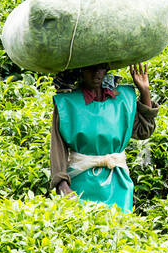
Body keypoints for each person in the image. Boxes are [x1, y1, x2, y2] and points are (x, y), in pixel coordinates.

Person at [49, 61, 157, 212]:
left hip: (118, 181)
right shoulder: (67, 103)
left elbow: (143, 131)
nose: (96, 74)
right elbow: (57, 148)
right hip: (80, 182)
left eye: (100, 68)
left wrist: (145, 91)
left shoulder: (124, 99)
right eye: (90, 68)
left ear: (106, 68)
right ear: (80, 70)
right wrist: (62, 185)